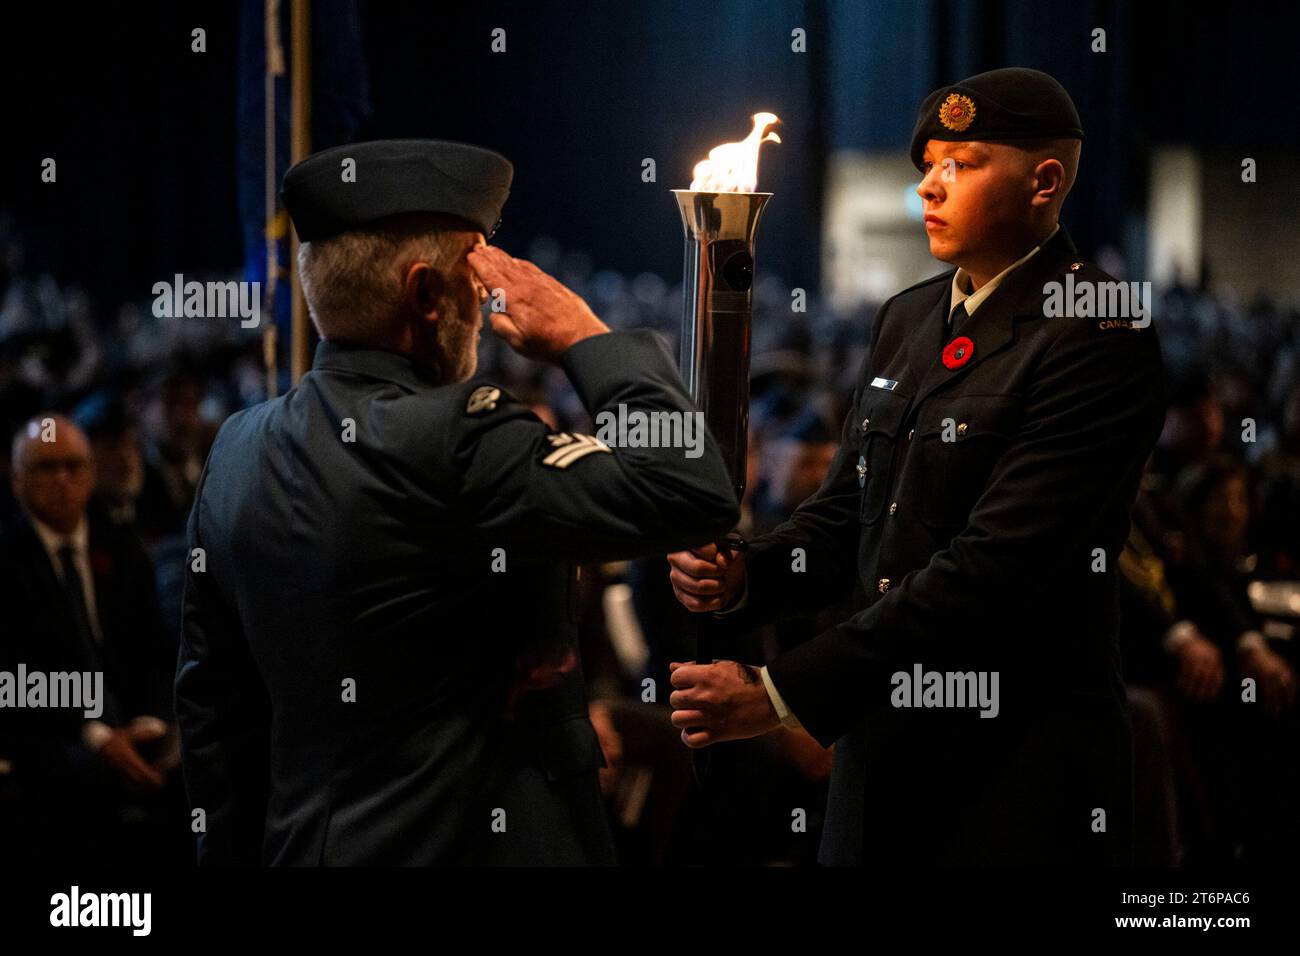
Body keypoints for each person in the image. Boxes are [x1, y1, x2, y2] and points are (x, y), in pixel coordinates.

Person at [174, 139, 738, 865]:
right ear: (425, 294)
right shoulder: (460, 434)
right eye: (478, 274)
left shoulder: (236, 449)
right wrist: (586, 338)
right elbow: (691, 491)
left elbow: (214, 713)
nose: (489, 297)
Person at [666, 68, 1167, 865]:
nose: (929, 188)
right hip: (881, 762)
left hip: (1013, 770)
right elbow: (850, 512)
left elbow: (997, 568)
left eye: (960, 166)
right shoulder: (909, 316)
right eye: (926, 166)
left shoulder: (1097, 328)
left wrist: (781, 692)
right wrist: (748, 576)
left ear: (1044, 181)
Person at [0, 414, 180, 865]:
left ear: (91, 474)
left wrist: (151, 717)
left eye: (73, 466)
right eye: (46, 467)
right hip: (47, 737)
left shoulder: (120, 545)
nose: (62, 479)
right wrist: (96, 733)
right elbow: (12, 679)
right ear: (17, 478)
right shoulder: (5, 556)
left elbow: (155, 650)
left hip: (131, 726)